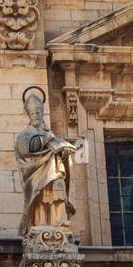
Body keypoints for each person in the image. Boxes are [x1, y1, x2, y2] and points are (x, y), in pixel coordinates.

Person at [15, 88, 82, 235]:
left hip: (53, 169)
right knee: (40, 196)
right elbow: (25, 149)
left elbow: (57, 147)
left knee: (58, 186)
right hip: (35, 172)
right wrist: (46, 140)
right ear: (29, 115)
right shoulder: (26, 133)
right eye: (33, 113)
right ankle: (41, 222)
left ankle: (60, 221)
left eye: (38, 112)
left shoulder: (47, 132)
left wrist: (64, 150)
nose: (36, 115)